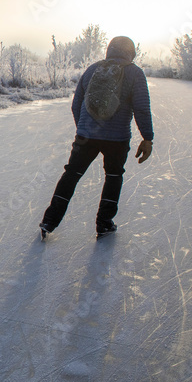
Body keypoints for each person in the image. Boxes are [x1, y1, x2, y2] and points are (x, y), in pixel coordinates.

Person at [40, 35, 154, 239]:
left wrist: (84, 129)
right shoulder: (135, 73)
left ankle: (49, 221)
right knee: (113, 176)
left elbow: (76, 104)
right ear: (131, 52)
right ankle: (104, 224)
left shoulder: (92, 69)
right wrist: (147, 138)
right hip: (117, 138)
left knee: (71, 174)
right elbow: (141, 108)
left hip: (86, 136)